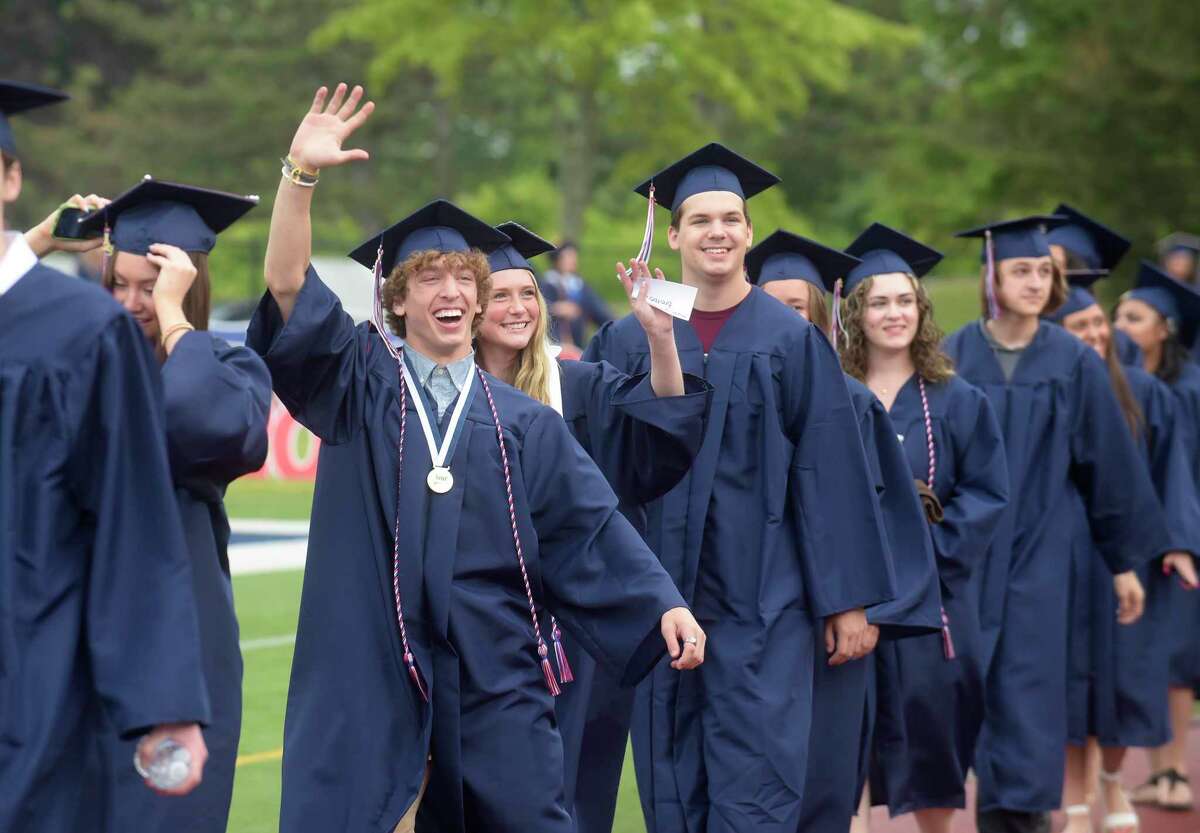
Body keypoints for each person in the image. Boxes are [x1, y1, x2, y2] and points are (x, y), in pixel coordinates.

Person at [248, 83, 706, 833]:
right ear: (397, 300)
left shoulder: (525, 422)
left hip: (496, 682)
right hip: (375, 674)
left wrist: (663, 601)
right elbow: (289, 287)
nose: (452, 290)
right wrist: (299, 179)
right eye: (430, 276)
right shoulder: (362, 385)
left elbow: (591, 528)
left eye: (466, 277)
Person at [584, 142, 897, 833]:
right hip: (659, 594)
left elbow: (829, 470)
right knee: (668, 776)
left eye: (731, 218)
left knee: (755, 776)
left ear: (749, 232)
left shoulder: (788, 339)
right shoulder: (632, 337)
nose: (717, 231)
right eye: (700, 220)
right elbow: (598, 468)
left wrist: (846, 600)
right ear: (673, 234)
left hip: (763, 597)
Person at [29, 179, 270, 833]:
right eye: (122, 284)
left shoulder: (226, 363)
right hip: (70, 621)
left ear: (188, 283)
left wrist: (174, 317)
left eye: (152, 284)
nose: (134, 301)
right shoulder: (73, 360)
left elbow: (205, 422)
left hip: (181, 630)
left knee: (169, 811)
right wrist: (34, 245)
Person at [0, 81, 209, 832]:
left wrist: (161, 700)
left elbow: (132, 517)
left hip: (31, 697)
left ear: (12, 176)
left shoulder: (82, 333)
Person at [476, 221, 711, 833]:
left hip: (575, 631)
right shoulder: (443, 400)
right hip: (482, 621)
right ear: (470, 307)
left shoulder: (574, 385)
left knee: (578, 792)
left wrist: (661, 340)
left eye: (528, 294)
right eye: (499, 295)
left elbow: (659, 432)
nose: (519, 307)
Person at [945, 215, 1167, 833]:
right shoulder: (956, 352)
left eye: (1044, 271)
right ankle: (991, 804)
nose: (1036, 281)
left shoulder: (1072, 360)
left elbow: (1109, 467)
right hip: (967, 548)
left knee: (1030, 683)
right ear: (992, 275)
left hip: (1045, 542)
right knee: (967, 683)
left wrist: (1123, 562)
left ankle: (1024, 816)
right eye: (1021, 270)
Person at [747, 227, 947, 833]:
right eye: (768, 307)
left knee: (824, 776)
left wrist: (859, 603)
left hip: (830, 623)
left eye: (797, 308)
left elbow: (884, 518)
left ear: (822, 317)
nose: (782, 321)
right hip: (750, 617)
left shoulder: (854, 405)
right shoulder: (729, 399)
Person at [832, 224, 1010, 833]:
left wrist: (923, 553)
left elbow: (987, 494)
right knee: (843, 744)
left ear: (922, 308)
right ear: (855, 312)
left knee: (935, 740)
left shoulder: (958, 400)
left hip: (934, 605)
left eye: (905, 300)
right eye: (878, 301)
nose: (894, 313)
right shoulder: (834, 394)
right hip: (850, 600)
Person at [1045, 267, 1200, 832]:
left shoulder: (1145, 392)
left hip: (1126, 555)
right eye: (1078, 324)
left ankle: (1111, 781)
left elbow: (1171, 473)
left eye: (1097, 322)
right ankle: (1077, 797)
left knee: (1125, 681)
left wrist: (1179, 544)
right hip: (1060, 554)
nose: (1093, 334)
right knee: (1069, 679)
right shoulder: (1047, 387)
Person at [1113, 262, 1200, 812]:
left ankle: (1173, 772)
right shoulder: (1131, 384)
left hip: (1173, 537)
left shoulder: (1185, 390)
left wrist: (1179, 538)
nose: (1119, 324)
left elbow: (1181, 471)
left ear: (1163, 328)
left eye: (1134, 316)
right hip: (1142, 534)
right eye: (1117, 313)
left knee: (1171, 656)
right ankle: (1165, 773)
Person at [541, 240, 613, 352]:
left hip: (577, 346)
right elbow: (536, 308)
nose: (573, 260)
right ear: (556, 259)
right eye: (568, 256)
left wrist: (617, 326)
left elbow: (601, 312)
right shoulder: (546, 284)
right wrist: (555, 308)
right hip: (552, 347)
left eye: (574, 256)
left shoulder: (581, 286)